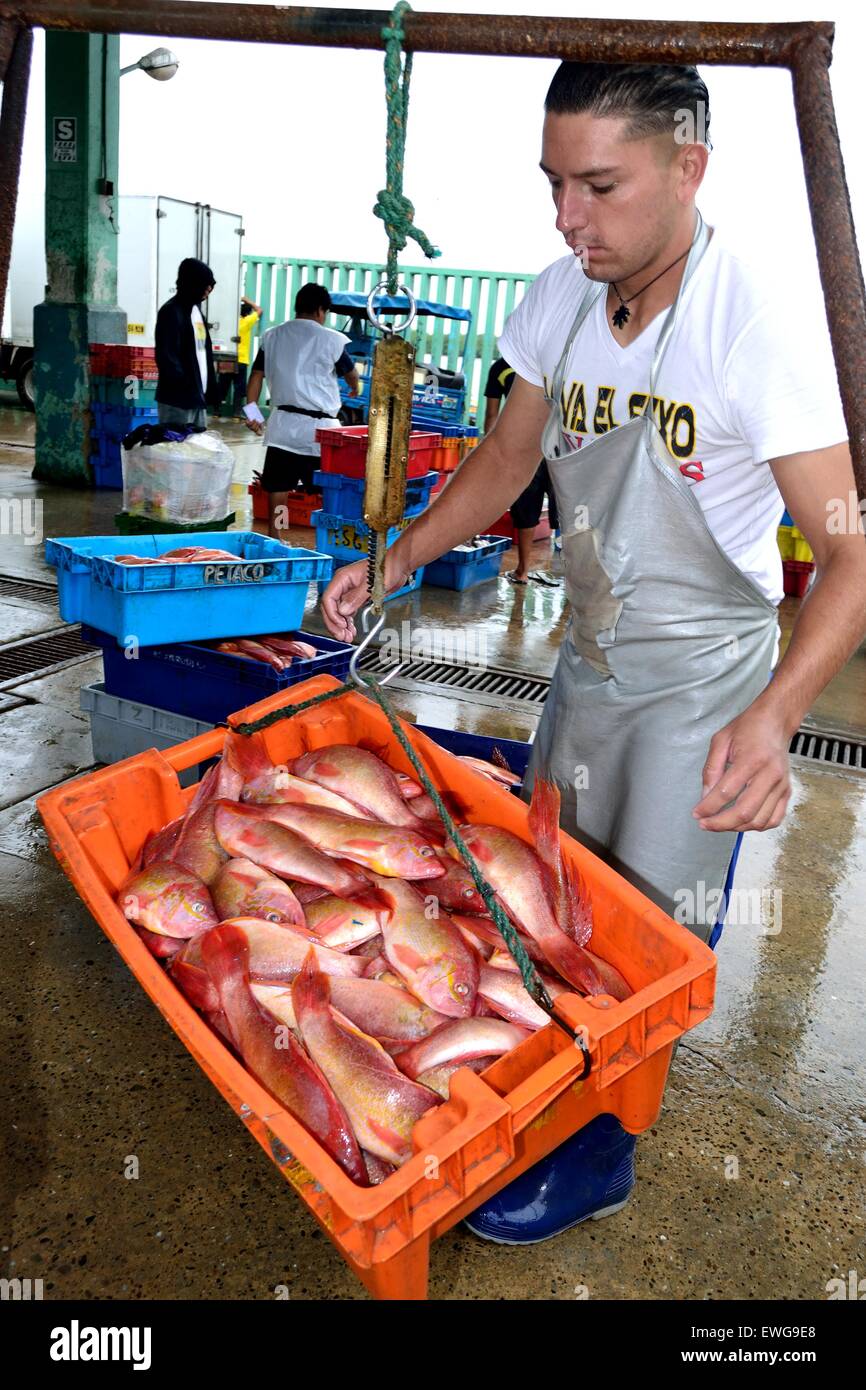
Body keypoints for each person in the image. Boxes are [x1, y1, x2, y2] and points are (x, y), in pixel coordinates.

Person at [245, 282, 361, 536]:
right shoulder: (331, 339)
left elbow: (255, 377)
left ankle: (277, 537)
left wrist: (253, 416)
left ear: (298, 307)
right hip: (322, 432)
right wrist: (354, 388)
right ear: (321, 310)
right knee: (328, 490)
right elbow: (351, 374)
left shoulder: (272, 336)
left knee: (279, 488)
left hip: (283, 427)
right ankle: (325, 540)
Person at [484, 355, 559, 585]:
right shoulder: (555, 360)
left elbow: (492, 416)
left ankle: (523, 571)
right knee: (566, 512)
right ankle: (571, 578)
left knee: (526, 509)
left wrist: (492, 453)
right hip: (559, 447)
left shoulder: (500, 367)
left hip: (524, 447)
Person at [154, 258, 218, 428]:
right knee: (176, 451)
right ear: (192, 283)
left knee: (197, 452)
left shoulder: (196, 312)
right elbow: (167, 357)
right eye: (205, 284)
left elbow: (203, 353)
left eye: (211, 285)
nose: (209, 289)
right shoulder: (171, 311)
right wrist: (185, 385)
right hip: (177, 401)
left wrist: (208, 389)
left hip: (197, 398)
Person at [233, 294, 262, 418]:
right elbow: (259, 310)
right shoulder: (248, 321)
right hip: (242, 359)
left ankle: (216, 411)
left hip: (230, 358)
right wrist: (247, 300)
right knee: (239, 388)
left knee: (222, 386)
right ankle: (237, 413)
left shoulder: (235, 323)